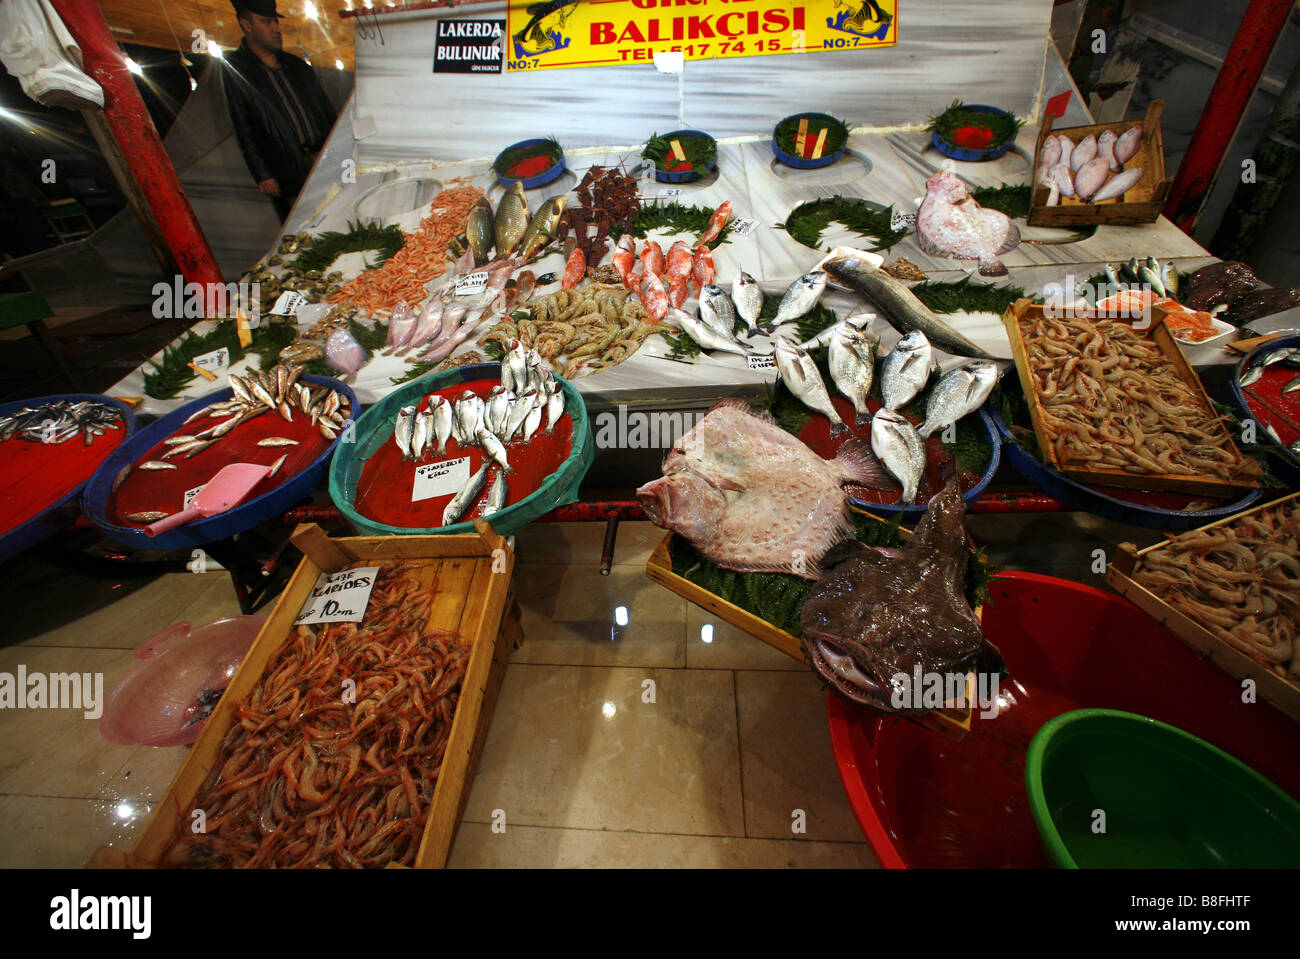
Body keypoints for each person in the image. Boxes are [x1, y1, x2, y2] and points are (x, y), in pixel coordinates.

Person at [223, 0, 338, 221]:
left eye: (275, 21)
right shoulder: (238, 71)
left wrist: (342, 146)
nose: (275, 28)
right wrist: (262, 174)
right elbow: (243, 127)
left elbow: (325, 109)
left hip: (322, 154)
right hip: (287, 164)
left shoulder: (296, 65)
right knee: (306, 221)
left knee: (340, 207)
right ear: (246, 25)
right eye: (266, 22)